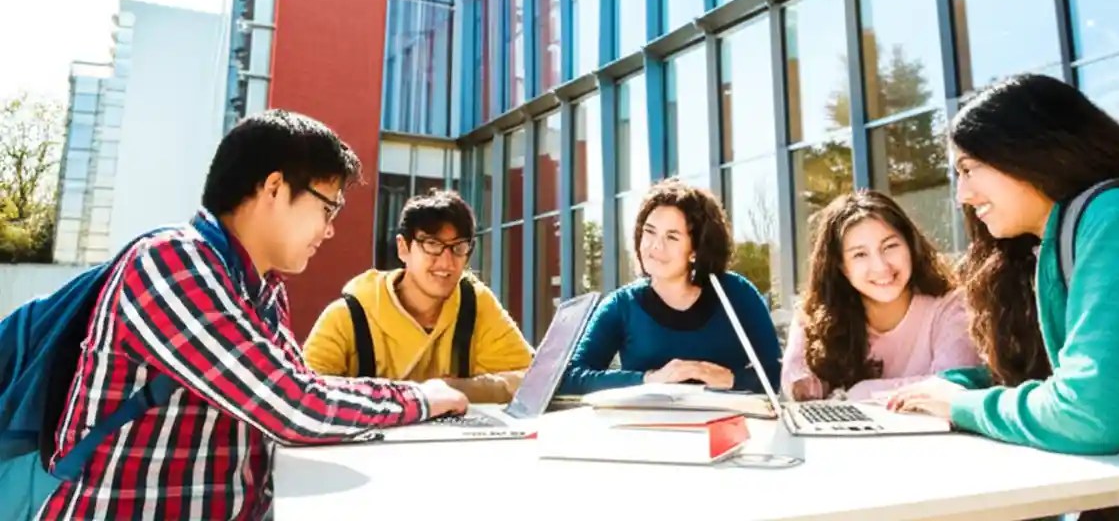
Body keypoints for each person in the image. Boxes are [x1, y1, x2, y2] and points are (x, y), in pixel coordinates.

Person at [38, 110, 467, 520]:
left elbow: (302, 390)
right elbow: (294, 407)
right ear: (275, 188)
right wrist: (421, 399)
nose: (329, 229)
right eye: (327, 208)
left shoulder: (261, 289)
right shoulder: (170, 263)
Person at [887, 74, 1119, 517]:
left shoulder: (1118, 218)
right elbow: (1061, 374)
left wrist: (960, 406)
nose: (962, 196)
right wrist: (956, 386)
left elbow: (1091, 415)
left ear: (1027, 152)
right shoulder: (1060, 240)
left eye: (968, 169)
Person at [304, 190, 533, 402]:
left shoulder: (474, 303)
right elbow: (305, 398)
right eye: (432, 244)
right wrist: (416, 398)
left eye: (458, 247)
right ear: (403, 248)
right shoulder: (348, 316)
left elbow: (535, 381)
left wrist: (457, 388)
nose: (446, 262)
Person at [558, 178, 782, 395]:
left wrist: (730, 379)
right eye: (649, 231)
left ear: (696, 250)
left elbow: (776, 372)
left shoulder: (737, 293)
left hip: (730, 421)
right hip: (647, 420)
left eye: (672, 237)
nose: (656, 246)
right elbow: (569, 378)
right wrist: (649, 380)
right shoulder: (621, 305)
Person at [781, 190, 979, 402]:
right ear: (842, 267)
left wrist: (861, 392)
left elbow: (953, 387)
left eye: (890, 246)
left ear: (911, 245)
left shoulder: (951, 307)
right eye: (860, 254)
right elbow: (802, 391)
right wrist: (804, 334)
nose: (881, 266)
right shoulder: (821, 315)